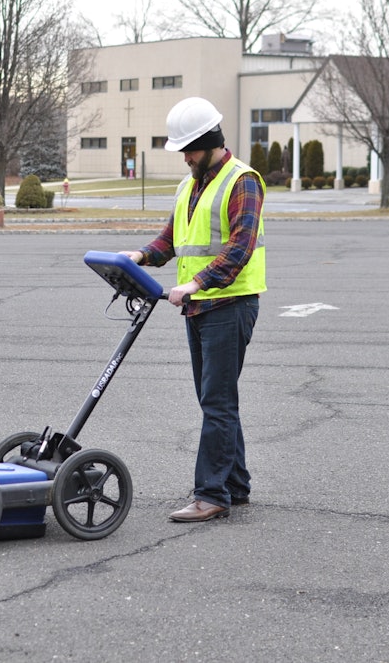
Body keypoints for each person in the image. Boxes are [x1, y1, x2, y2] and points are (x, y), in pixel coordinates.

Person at [120, 96, 266, 523]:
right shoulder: (190, 185)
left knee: (217, 401)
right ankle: (235, 485)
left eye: (189, 150)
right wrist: (140, 257)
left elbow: (239, 247)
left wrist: (196, 283)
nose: (184, 157)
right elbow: (171, 240)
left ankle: (211, 495)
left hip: (230, 304)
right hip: (198, 306)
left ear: (210, 142)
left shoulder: (243, 182)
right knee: (216, 399)